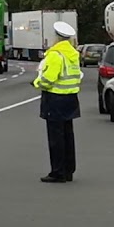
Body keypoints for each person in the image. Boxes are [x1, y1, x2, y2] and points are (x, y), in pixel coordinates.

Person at [33, 20, 83, 183]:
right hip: (70, 97)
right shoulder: (73, 54)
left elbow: (49, 79)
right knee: (68, 135)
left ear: (56, 37)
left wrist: (37, 83)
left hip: (55, 98)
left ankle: (58, 172)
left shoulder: (55, 55)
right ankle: (69, 170)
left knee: (55, 137)